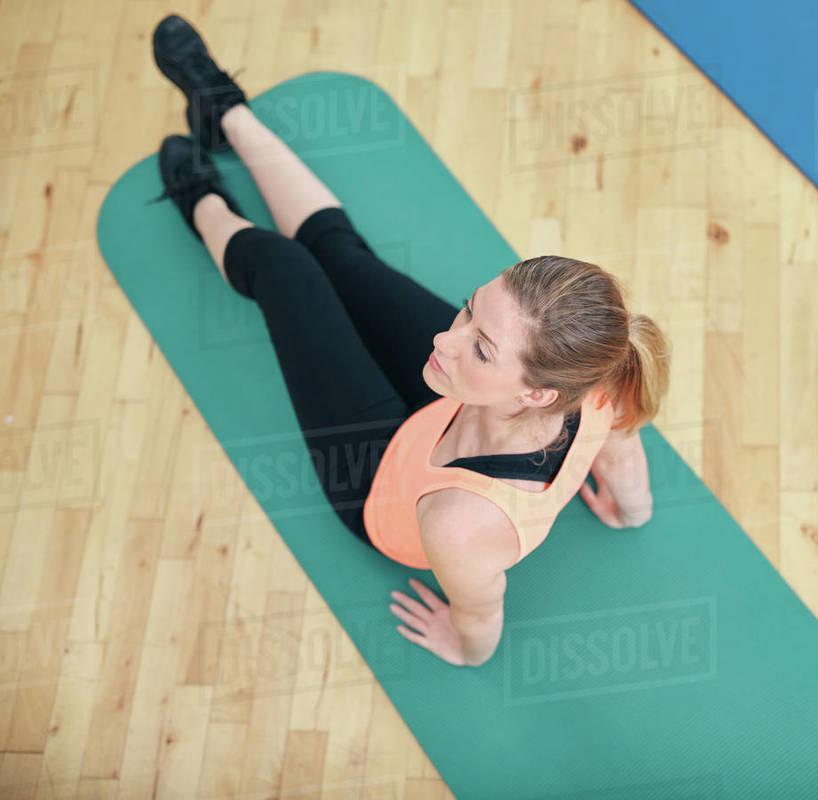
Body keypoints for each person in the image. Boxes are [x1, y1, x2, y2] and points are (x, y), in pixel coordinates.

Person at [147, 15, 671, 668]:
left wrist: (463, 646)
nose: (444, 339)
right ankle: (224, 112)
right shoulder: (606, 374)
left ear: (540, 391)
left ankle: (198, 200)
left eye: (481, 347)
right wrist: (633, 509)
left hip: (380, 487)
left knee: (286, 271)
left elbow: (481, 616)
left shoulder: (461, 523)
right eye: (468, 312)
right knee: (340, 257)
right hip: (449, 415)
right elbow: (622, 460)